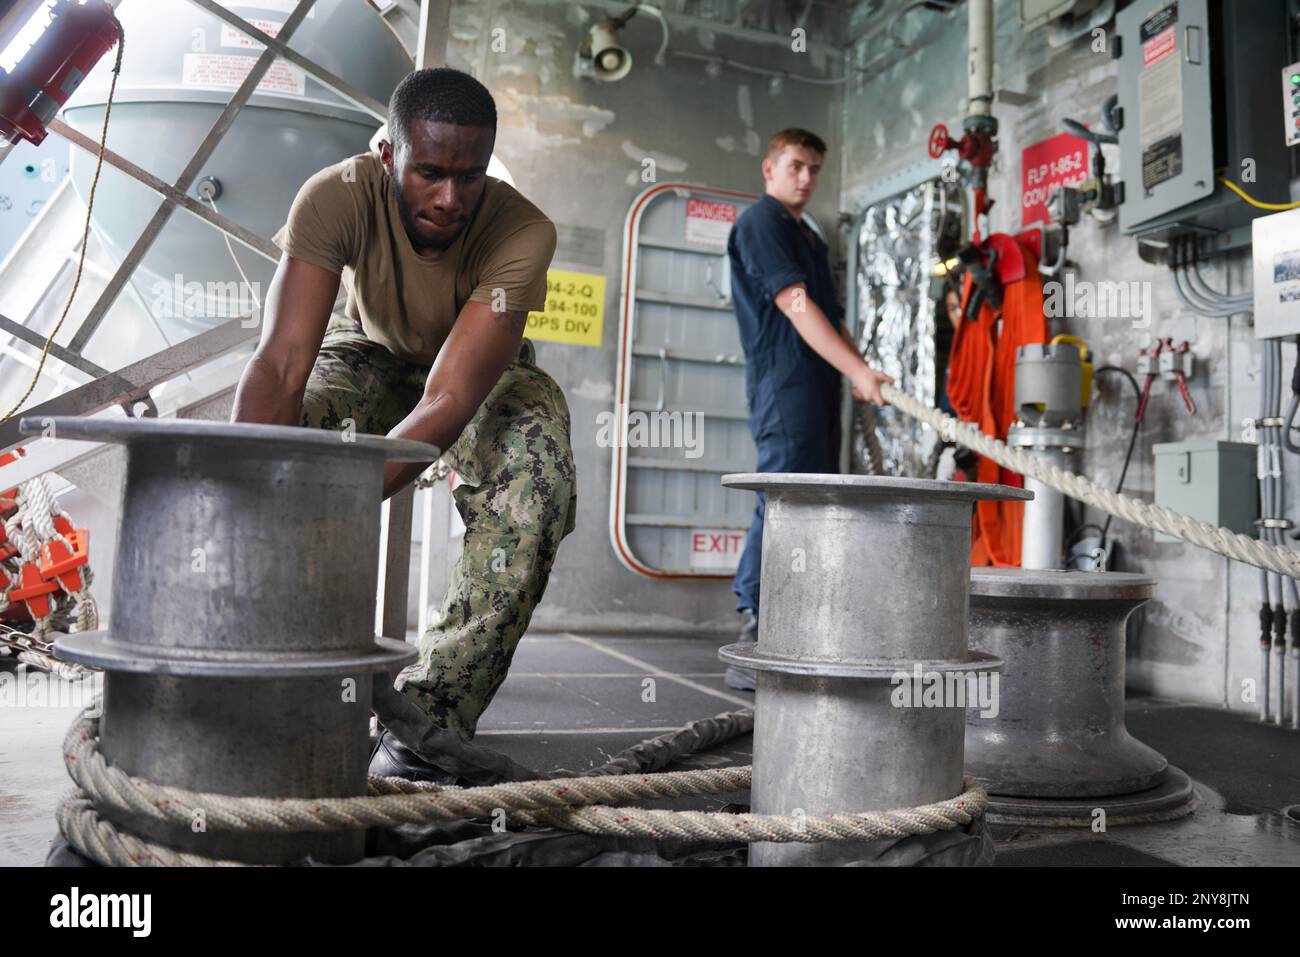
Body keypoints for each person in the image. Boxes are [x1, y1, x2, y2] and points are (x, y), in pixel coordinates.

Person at [231, 68, 577, 776]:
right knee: (277, 437)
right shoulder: (335, 196)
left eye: (469, 176)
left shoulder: (523, 231)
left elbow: (451, 396)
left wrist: (339, 501)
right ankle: (250, 662)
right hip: (371, 353)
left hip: (483, 374)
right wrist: (247, 499)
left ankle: (428, 722)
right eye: (428, 173)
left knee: (537, 479)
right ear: (389, 154)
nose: (449, 199)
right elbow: (280, 364)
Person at [724, 128, 894, 691]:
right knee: (782, 496)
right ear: (769, 168)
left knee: (807, 499)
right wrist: (855, 371)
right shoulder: (762, 224)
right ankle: (753, 629)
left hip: (817, 384)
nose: (806, 177)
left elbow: (829, 313)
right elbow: (795, 306)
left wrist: (859, 366)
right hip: (784, 381)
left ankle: (788, 625)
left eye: (815, 168)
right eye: (796, 165)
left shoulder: (811, 239)